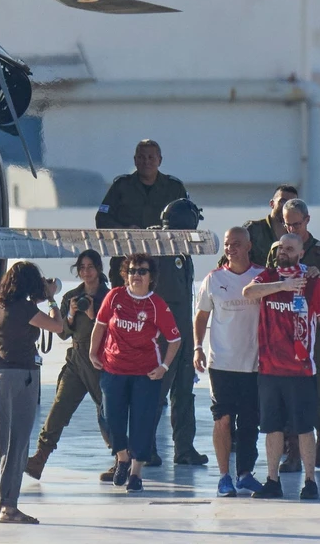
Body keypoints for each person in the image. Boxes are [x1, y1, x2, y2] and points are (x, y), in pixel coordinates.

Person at [242, 234, 320, 500]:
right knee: (272, 427)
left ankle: (310, 481)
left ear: (301, 253)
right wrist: (283, 285)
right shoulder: (268, 276)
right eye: (281, 247)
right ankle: (272, 480)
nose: (283, 252)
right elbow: (249, 292)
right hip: (269, 367)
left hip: (300, 369)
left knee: (304, 427)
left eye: (290, 248)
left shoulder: (311, 280)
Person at [90, 253, 182, 494]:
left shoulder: (157, 304)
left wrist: (163, 367)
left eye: (142, 271)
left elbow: (175, 339)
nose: (136, 276)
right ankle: (122, 457)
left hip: (145, 373)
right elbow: (100, 325)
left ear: (151, 277)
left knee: (142, 422)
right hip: (114, 369)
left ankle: (136, 473)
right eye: (132, 271)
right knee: (110, 418)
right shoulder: (115, 296)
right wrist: (92, 352)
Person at [0, 261, 64, 524]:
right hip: (21, 378)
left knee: (2, 447)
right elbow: (57, 326)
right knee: (17, 446)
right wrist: (51, 299)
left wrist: (36, 298)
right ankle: (9, 507)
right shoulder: (25, 308)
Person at [26, 250, 111, 481]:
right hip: (76, 360)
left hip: (100, 360)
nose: (86, 272)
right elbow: (62, 332)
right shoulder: (72, 297)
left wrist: (93, 315)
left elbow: (113, 332)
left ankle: (121, 457)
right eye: (82, 267)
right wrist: (72, 314)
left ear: (98, 269)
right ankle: (40, 457)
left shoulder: (109, 297)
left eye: (90, 267)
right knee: (60, 407)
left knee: (108, 411)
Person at [268, 198, 320, 469]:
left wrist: (317, 276)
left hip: (313, 330)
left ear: (307, 220)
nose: (292, 229)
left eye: (297, 224)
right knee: (286, 390)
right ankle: (293, 452)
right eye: (287, 224)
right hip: (283, 328)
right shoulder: (278, 249)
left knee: (315, 388)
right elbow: (270, 279)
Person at [193, 227, 263, 497]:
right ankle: (224, 477)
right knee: (222, 420)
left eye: (236, 244)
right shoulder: (213, 279)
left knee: (249, 423)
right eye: (227, 244)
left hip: (254, 364)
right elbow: (201, 317)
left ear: (248, 246)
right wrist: (198, 348)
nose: (231, 249)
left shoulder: (261, 276)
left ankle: (244, 473)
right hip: (221, 363)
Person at [148, 199, 209, 466]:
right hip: (163, 337)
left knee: (184, 392)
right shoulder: (157, 247)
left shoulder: (180, 250)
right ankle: (145, 447)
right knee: (155, 392)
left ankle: (184, 448)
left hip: (182, 332)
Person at [244, 184, 298, 267]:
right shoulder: (253, 229)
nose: (287, 207)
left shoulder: (297, 234)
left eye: (292, 204)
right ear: (272, 204)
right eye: (282, 202)